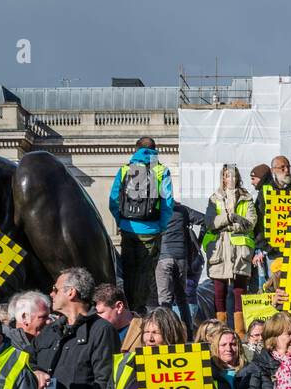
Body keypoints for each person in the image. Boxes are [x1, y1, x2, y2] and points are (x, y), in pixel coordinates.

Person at [109, 136, 174, 311]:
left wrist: (122, 222)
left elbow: (113, 200)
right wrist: (161, 227)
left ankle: (127, 309)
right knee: (146, 275)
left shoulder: (124, 170)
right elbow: (168, 204)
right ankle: (139, 310)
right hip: (151, 230)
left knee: (128, 272)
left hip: (128, 229)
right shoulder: (161, 171)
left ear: (135, 149)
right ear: (155, 150)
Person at [203, 164, 257, 335]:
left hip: (240, 251)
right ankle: (221, 331)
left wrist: (230, 226)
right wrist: (229, 217)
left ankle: (240, 332)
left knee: (239, 291)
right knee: (219, 290)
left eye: (233, 176)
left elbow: (250, 222)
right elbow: (210, 222)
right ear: (223, 178)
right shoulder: (214, 198)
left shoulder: (247, 198)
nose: (230, 179)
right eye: (227, 176)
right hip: (220, 249)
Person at [155, 198, 205, 333]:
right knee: (182, 297)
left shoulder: (156, 210)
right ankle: (188, 333)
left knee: (165, 300)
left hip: (163, 257)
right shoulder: (183, 210)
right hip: (181, 259)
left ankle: (167, 333)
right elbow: (206, 220)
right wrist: (198, 242)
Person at [7, 290, 52, 356]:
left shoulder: (50, 338)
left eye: (48, 316)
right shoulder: (9, 347)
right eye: (43, 317)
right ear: (24, 317)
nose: (49, 321)